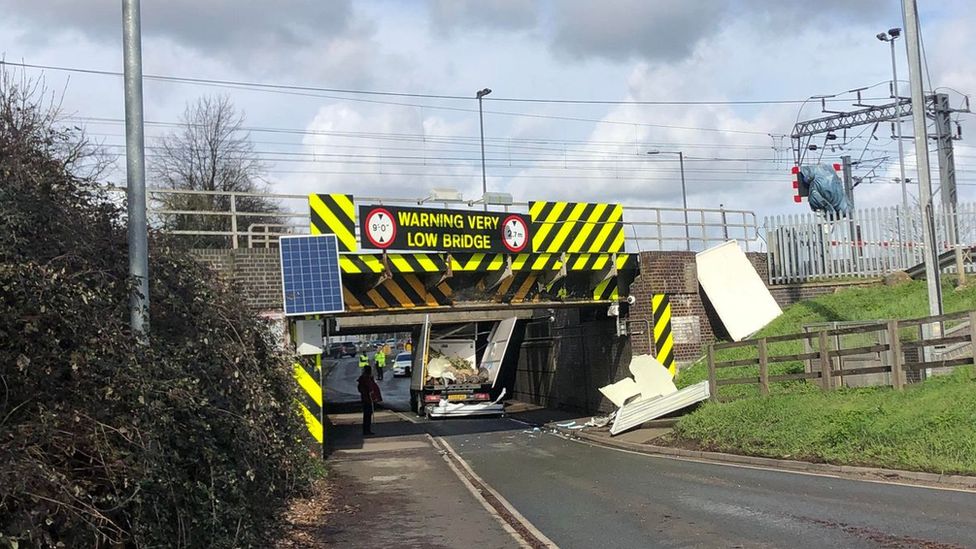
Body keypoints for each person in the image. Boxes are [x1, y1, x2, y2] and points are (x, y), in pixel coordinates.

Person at [357, 366, 381, 436]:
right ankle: (366, 430)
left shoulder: (366, 378)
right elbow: (366, 388)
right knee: (367, 415)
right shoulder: (365, 379)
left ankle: (367, 430)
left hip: (367, 399)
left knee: (367, 415)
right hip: (367, 399)